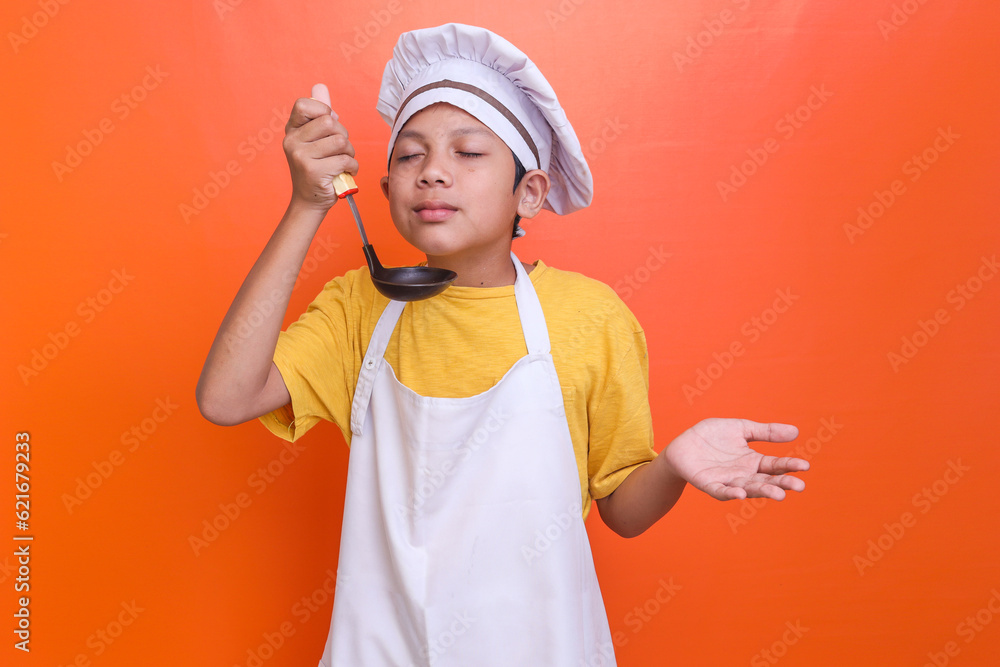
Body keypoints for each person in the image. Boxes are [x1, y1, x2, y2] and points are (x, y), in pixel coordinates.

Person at [196, 23, 810, 667]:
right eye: (408, 156)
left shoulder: (590, 317)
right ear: (381, 192)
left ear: (531, 192)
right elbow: (227, 396)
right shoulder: (359, 308)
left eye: (467, 153)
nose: (432, 172)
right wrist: (306, 205)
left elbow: (622, 513)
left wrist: (673, 465)